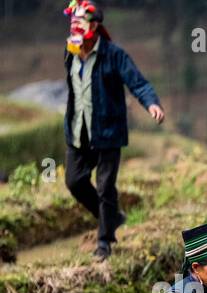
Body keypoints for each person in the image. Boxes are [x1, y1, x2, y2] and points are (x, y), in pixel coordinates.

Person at [61, 2, 164, 260]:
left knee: (106, 187)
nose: (76, 29)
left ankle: (104, 242)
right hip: (79, 131)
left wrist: (151, 104)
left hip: (108, 132)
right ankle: (113, 218)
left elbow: (137, 82)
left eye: (81, 24)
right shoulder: (70, 53)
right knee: (74, 182)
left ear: (94, 27)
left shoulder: (114, 55)